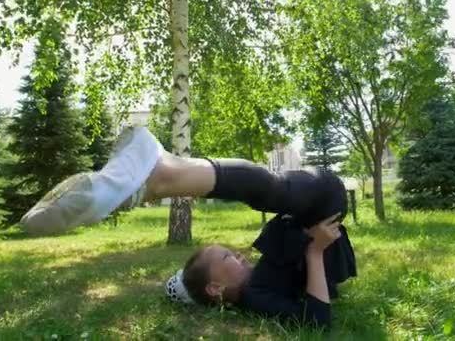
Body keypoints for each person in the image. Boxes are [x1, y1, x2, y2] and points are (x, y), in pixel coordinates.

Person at [20, 126, 356, 330]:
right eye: (227, 257)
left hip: (313, 212)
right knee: (282, 187)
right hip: (325, 207)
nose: (237, 254)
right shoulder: (256, 296)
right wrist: (314, 252)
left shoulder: (256, 286)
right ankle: (161, 179)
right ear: (215, 289)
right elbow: (318, 322)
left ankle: (155, 182)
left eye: (230, 254)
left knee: (273, 188)